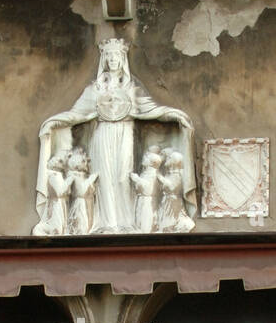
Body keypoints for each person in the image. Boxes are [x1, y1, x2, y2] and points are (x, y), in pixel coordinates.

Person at [34, 39, 196, 234]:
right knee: (104, 177)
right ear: (104, 59)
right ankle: (107, 223)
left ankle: (126, 221)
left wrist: (174, 114)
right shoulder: (95, 89)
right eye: (109, 55)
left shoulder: (131, 87)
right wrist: (54, 122)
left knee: (122, 177)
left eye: (116, 55)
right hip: (101, 133)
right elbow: (77, 113)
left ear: (123, 59)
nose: (112, 59)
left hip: (125, 132)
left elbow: (150, 109)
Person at [129, 146, 164, 232]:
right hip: (141, 199)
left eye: (146, 158)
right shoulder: (145, 172)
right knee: (139, 220)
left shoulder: (153, 174)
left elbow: (149, 189)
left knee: (146, 222)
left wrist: (137, 179)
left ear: (152, 163)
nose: (144, 158)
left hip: (148, 202)